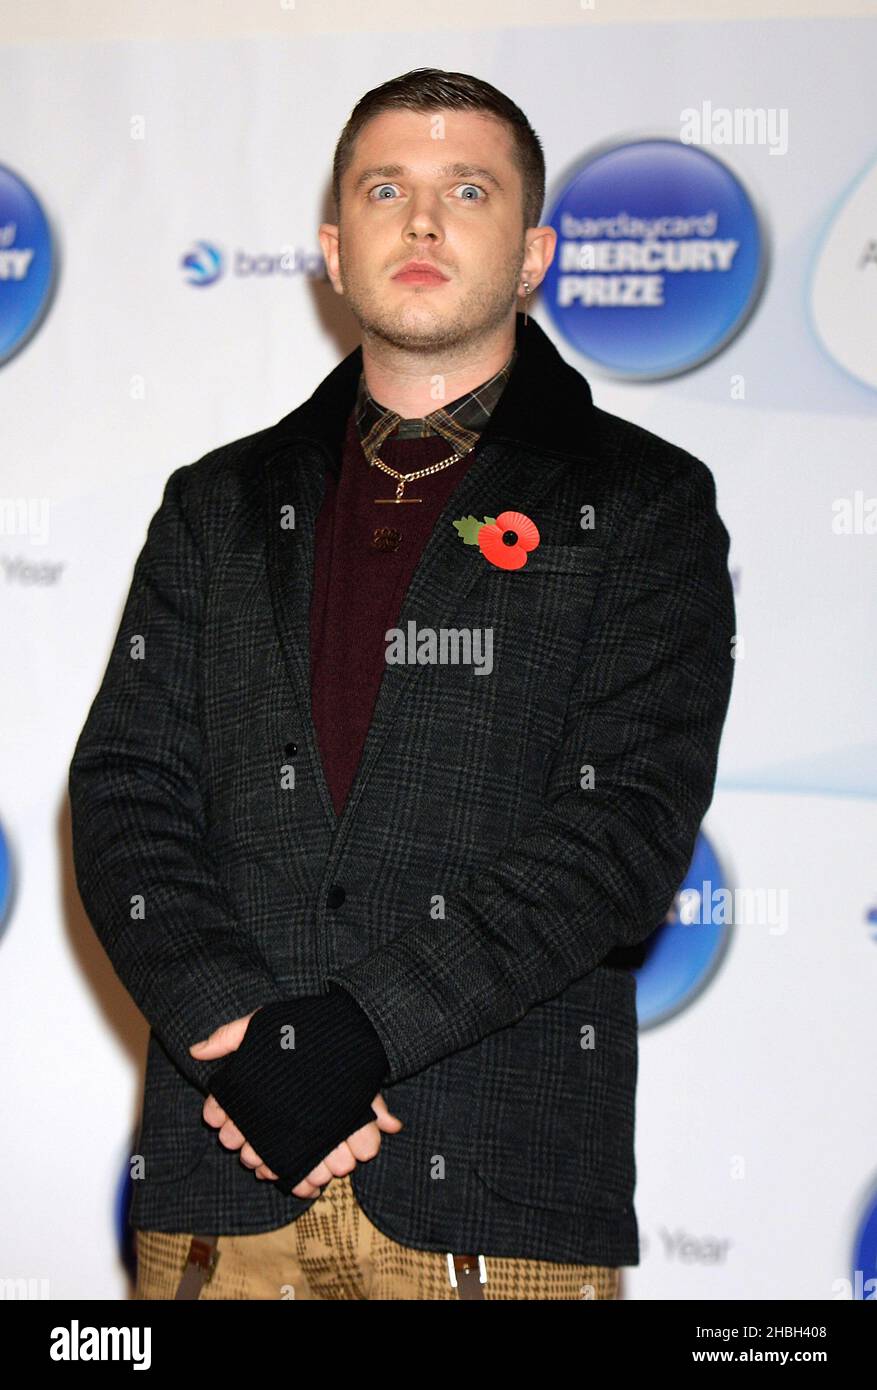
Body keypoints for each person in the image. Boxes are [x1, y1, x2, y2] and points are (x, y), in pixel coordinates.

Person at [68, 67, 736, 1301]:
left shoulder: (644, 505)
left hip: (497, 1194)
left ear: (533, 251)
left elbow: (620, 834)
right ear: (334, 247)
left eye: (465, 190)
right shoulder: (212, 506)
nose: (422, 222)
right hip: (223, 1194)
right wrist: (245, 1038)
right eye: (387, 189)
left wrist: (354, 1035)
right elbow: (123, 796)